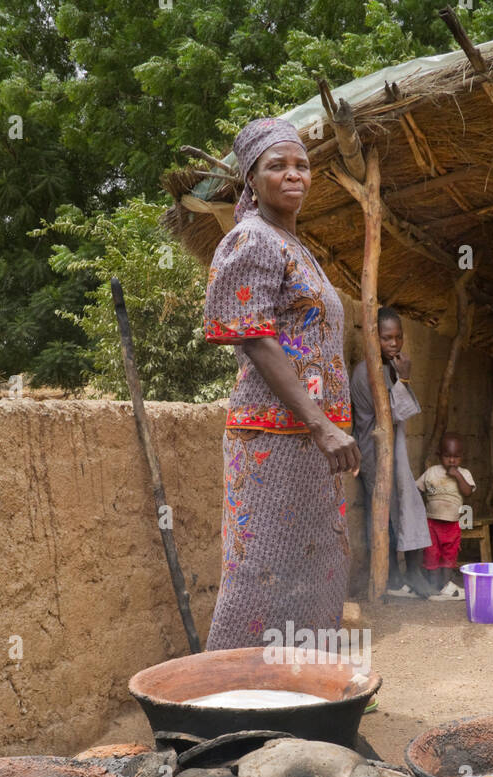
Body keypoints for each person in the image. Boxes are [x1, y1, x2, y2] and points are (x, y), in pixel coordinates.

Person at [202, 117, 360, 650]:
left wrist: (325, 429)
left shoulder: (294, 244)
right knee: (261, 572)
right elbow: (255, 338)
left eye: (302, 165)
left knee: (316, 569)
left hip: (311, 441)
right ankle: (227, 705)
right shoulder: (252, 239)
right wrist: (320, 425)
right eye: (277, 166)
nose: (294, 175)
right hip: (275, 439)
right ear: (252, 179)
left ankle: (301, 696)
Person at [350, 308, 433, 598]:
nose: (394, 344)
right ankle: (394, 577)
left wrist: (401, 377)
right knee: (386, 513)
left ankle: (410, 574)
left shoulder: (390, 368)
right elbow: (392, 413)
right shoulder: (365, 372)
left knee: (408, 506)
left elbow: (402, 412)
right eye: (387, 338)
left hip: (393, 450)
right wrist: (405, 380)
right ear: (375, 338)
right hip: (375, 451)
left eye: (398, 337)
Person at [415, 432, 476, 600]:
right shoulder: (431, 472)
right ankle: (434, 588)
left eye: (456, 457)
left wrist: (457, 476)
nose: (451, 460)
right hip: (431, 523)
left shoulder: (464, 473)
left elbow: (468, 492)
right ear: (439, 455)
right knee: (431, 554)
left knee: (449, 555)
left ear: (462, 457)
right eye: (447, 456)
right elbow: (417, 489)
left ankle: (446, 585)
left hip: (452, 525)